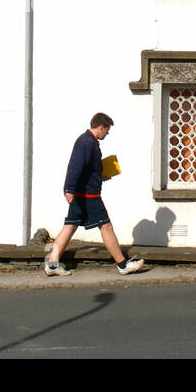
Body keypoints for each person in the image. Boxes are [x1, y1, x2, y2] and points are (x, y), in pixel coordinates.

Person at [44, 112, 145, 277]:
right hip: (88, 196)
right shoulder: (88, 142)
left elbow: (85, 169)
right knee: (106, 226)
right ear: (101, 127)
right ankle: (122, 264)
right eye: (107, 130)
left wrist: (100, 177)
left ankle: (53, 264)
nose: (107, 133)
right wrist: (69, 188)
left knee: (70, 226)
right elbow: (75, 166)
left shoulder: (87, 141)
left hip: (81, 193)